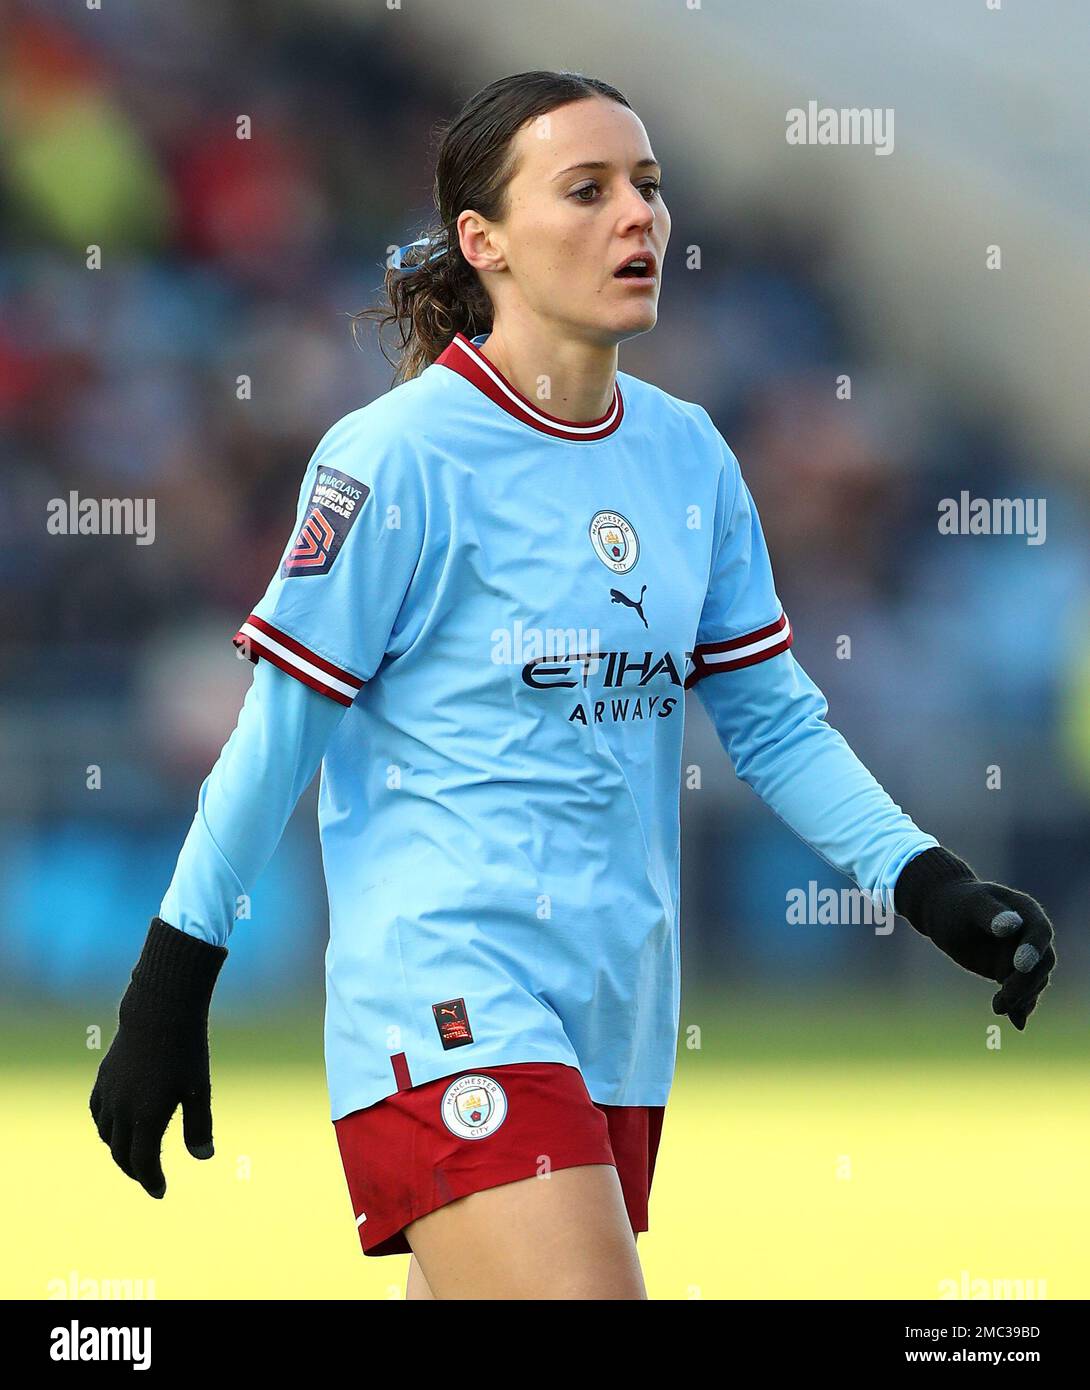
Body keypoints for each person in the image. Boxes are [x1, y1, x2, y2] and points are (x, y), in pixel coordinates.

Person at [89, 70, 1057, 1302]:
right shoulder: (396, 458)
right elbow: (272, 742)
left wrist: (931, 886)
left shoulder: (688, 453)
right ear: (483, 243)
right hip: (445, 997)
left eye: (649, 186)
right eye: (588, 190)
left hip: (613, 1009)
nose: (638, 217)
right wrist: (170, 985)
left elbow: (773, 723)